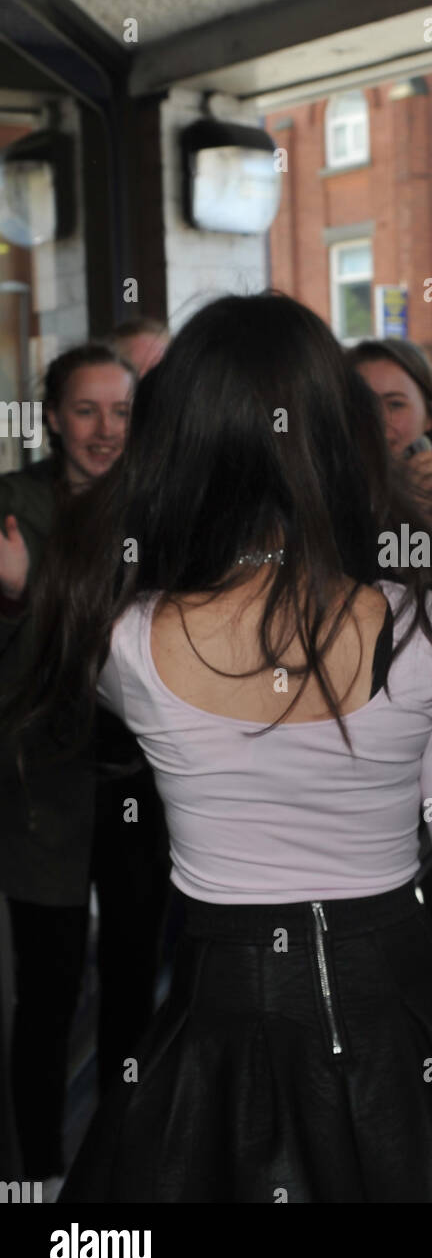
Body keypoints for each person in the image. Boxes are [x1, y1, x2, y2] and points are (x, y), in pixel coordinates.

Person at [2, 293, 432, 1203]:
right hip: (405, 1031)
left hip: (221, 1044)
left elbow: (71, 592)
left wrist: (32, 581)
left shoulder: (125, 645)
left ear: (174, 439)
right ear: (336, 434)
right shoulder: (414, 630)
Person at [0, 344, 169, 1194]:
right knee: (49, 997)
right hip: (43, 790)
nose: (105, 431)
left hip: (145, 786)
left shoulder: (165, 506)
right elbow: (33, 668)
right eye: (85, 411)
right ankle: (37, 1179)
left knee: (137, 990)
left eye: (122, 411)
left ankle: (119, 1172)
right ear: (52, 415)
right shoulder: (12, 506)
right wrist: (24, 597)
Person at [347, 338, 432, 527]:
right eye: (364, 404)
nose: (380, 419)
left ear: (430, 415)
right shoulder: (320, 505)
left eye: (395, 404)